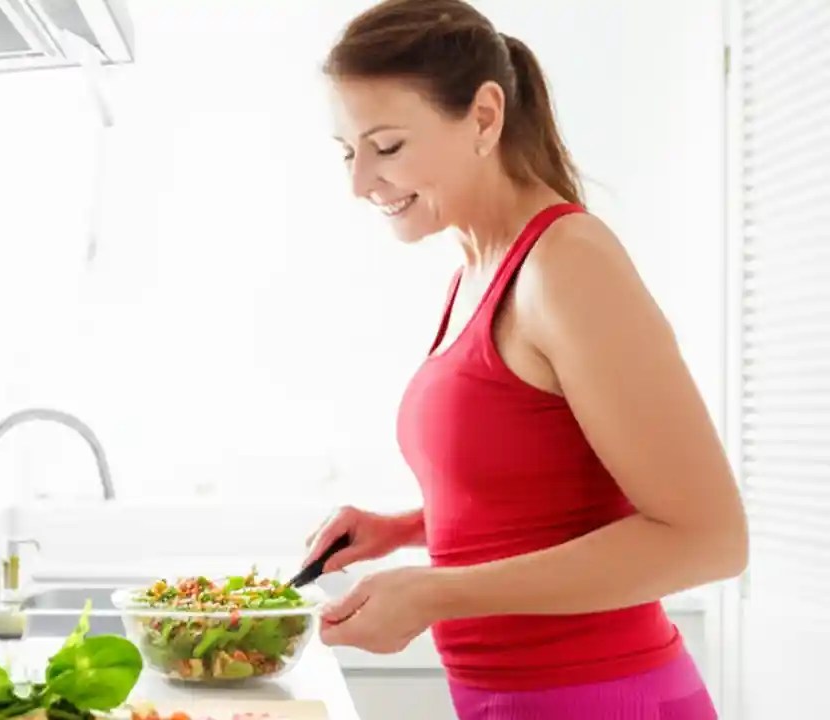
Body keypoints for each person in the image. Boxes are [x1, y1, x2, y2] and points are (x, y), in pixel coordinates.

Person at [303, 1, 747, 718]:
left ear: (484, 118)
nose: (360, 183)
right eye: (347, 152)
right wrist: (408, 527)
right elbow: (547, 490)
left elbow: (708, 541)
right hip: (508, 699)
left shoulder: (568, 264)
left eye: (385, 147)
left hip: (599, 698)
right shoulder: (477, 269)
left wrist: (438, 590)